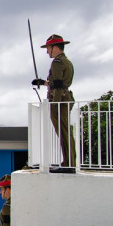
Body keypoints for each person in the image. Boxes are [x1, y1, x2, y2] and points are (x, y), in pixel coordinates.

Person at [32, 34, 75, 167]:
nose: (47, 51)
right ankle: (69, 161)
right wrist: (44, 83)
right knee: (65, 132)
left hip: (59, 100)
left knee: (63, 133)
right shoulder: (65, 61)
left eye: (48, 48)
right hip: (65, 97)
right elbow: (58, 83)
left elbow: (57, 86)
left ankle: (69, 162)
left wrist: (54, 104)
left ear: (55, 48)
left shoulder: (56, 62)